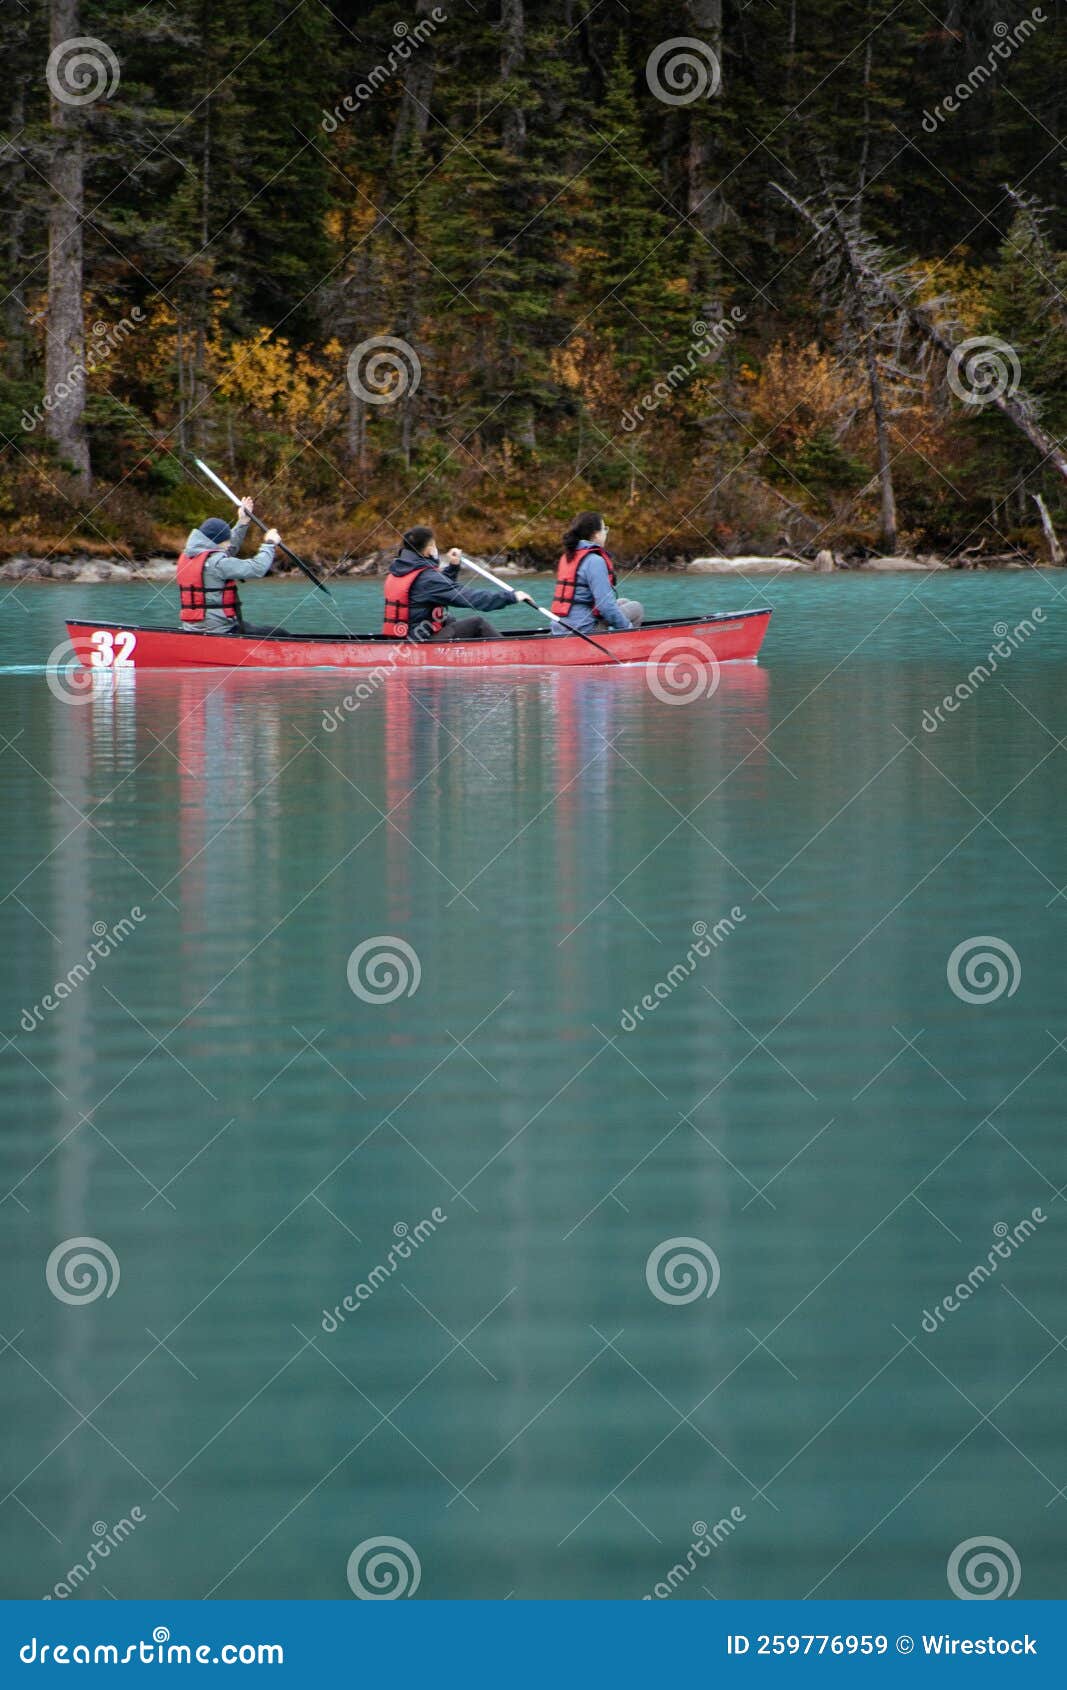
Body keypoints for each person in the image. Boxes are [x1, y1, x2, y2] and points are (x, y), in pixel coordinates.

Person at [382, 526, 536, 641]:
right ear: (428, 550)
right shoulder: (427, 578)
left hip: (403, 638)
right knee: (477, 623)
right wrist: (511, 597)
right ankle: (509, 654)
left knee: (448, 619)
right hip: (419, 642)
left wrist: (453, 566)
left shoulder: (398, 571)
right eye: (434, 545)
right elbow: (470, 598)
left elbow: (435, 590)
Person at [177, 498, 287, 636]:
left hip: (193, 627)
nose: (230, 544)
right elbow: (258, 568)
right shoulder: (218, 564)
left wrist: (243, 521)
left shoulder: (188, 556)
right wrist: (270, 543)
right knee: (279, 634)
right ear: (216, 542)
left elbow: (228, 548)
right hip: (218, 629)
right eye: (227, 540)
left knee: (252, 628)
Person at [550, 512, 643, 635]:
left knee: (623, 601)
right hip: (584, 630)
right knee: (636, 608)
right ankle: (628, 641)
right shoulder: (594, 561)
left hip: (560, 627)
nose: (606, 532)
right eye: (604, 529)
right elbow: (605, 606)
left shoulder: (567, 556)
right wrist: (628, 627)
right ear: (596, 534)